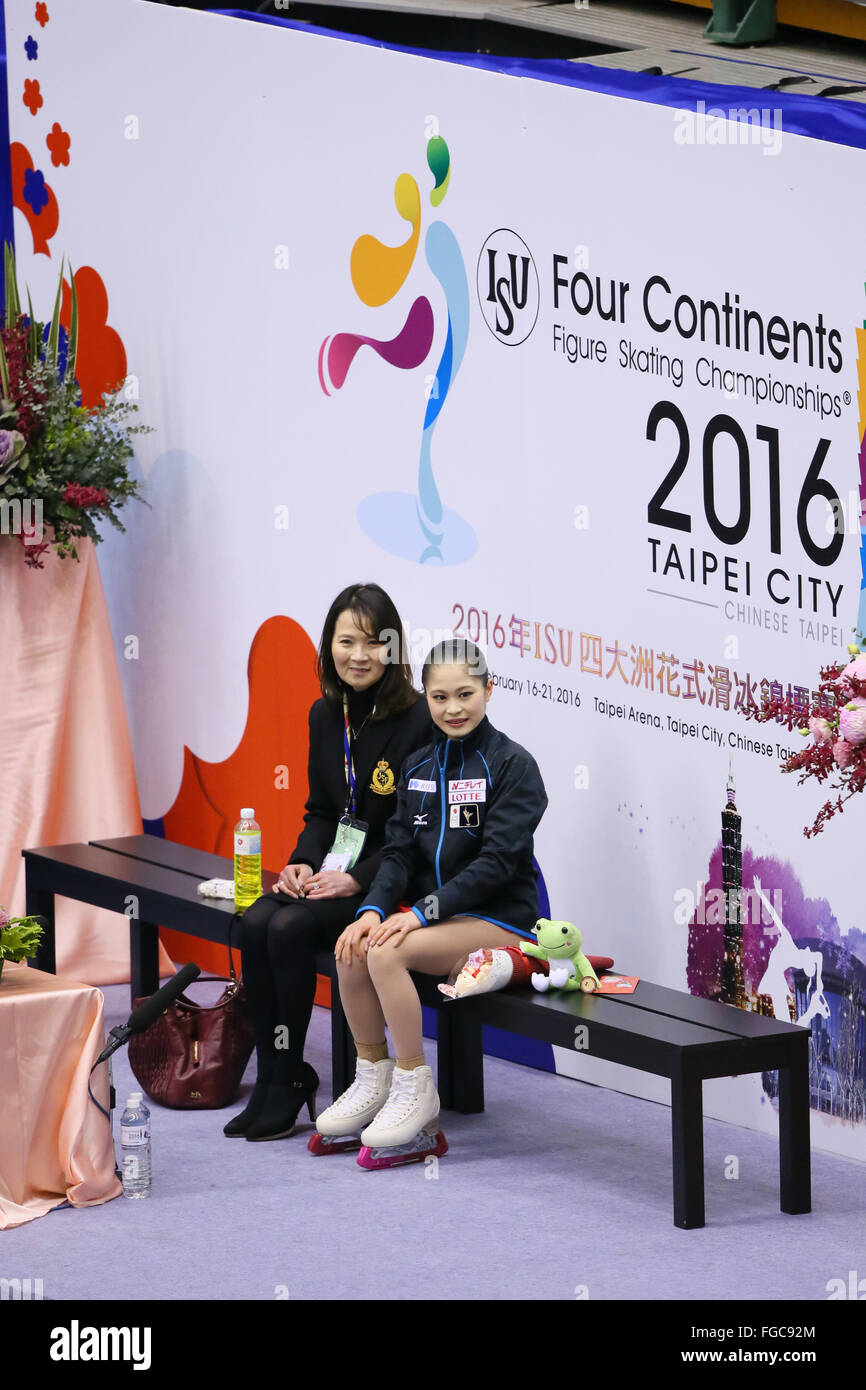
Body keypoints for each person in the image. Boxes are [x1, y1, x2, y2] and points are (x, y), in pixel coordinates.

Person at [314, 637, 548, 1165]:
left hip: (501, 921)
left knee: (386, 952)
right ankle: (372, 1075)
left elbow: (497, 865)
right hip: (437, 920)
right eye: (439, 698)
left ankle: (415, 1085)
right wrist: (372, 909)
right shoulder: (418, 766)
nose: (453, 709)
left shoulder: (514, 766)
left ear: (490, 689)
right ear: (425, 698)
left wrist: (421, 914)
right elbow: (397, 853)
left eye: (465, 694)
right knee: (354, 943)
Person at [224, 583, 431, 1141]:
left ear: (392, 647)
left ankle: (291, 1077)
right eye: (346, 642)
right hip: (331, 877)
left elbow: (410, 835)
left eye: (371, 643)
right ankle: (272, 1075)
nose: (357, 656)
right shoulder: (325, 713)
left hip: (388, 887)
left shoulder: (417, 720)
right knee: (258, 918)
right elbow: (322, 812)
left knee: (288, 928)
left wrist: (356, 880)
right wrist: (300, 863)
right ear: (328, 645)